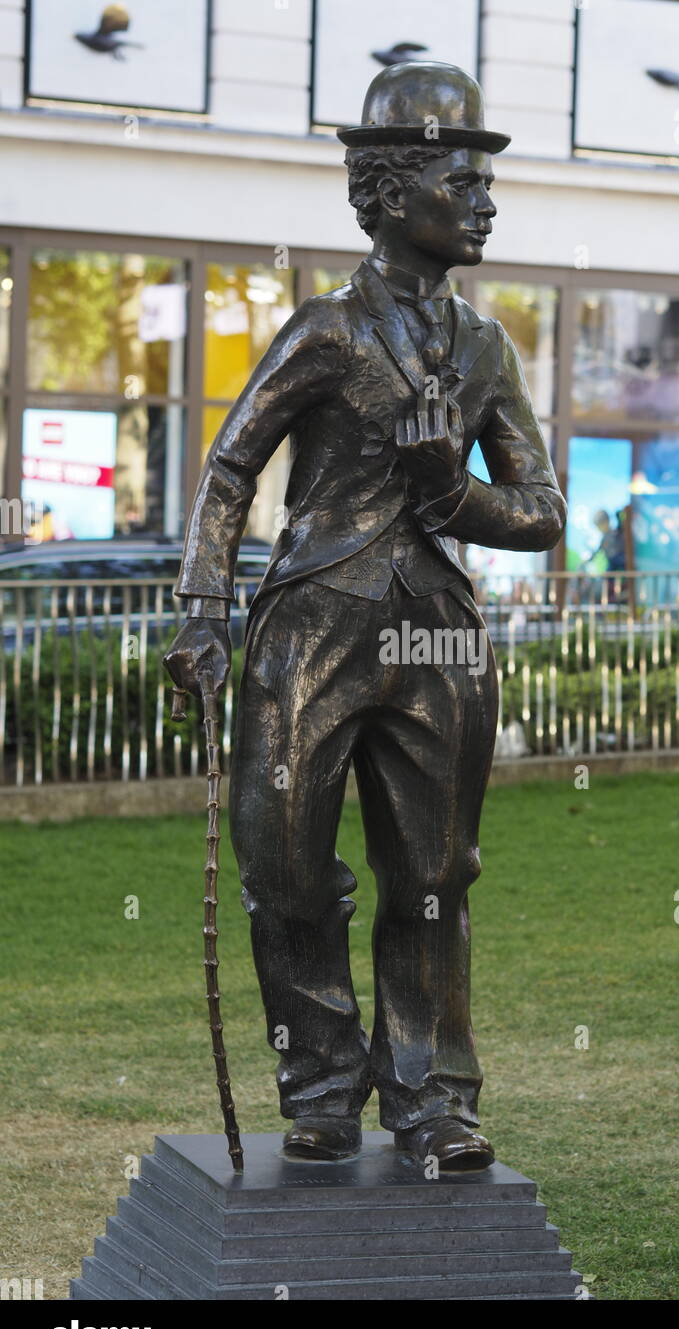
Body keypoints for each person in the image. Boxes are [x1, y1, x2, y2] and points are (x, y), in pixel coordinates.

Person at [164, 62, 565, 1171]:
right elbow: (230, 464)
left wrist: (450, 494)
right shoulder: (327, 331)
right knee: (285, 866)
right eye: (461, 182)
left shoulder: (487, 348)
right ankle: (321, 1082)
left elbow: (540, 512)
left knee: (434, 877)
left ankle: (433, 1097)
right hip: (312, 630)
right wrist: (202, 610)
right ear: (389, 193)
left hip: (435, 636)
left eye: (486, 183)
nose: (484, 203)